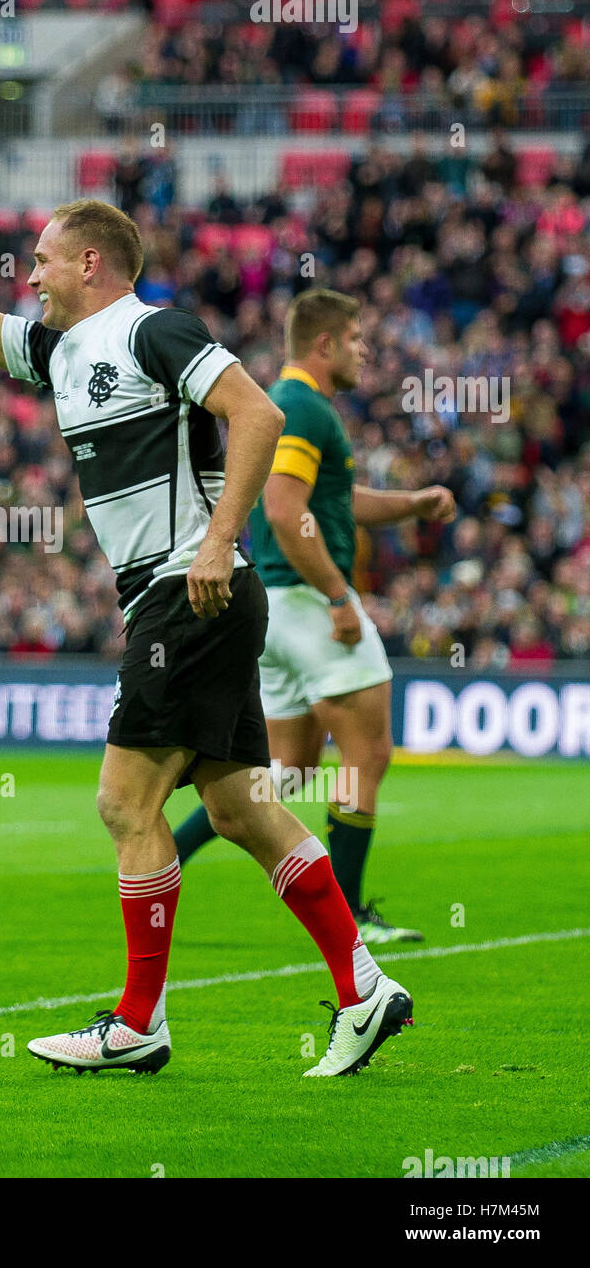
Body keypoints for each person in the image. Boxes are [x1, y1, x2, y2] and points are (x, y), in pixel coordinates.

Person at [0, 158, 414, 1077]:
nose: (29, 277)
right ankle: (364, 990)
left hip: (191, 587)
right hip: (189, 593)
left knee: (123, 800)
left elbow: (251, 417)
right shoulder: (61, 351)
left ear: (91, 263)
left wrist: (214, 541)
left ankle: (137, 1023)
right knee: (243, 807)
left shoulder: (153, 330)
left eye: (42, 261)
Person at [173, 289, 456, 944]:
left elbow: (332, 499)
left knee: (289, 767)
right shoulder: (300, 406)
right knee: (367, 754)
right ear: (324, 344)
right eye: (355, 339)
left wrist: (411, 503)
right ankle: (352, 916)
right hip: (306, 600)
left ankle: (169, 853)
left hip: (275, 610)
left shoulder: (297, 406)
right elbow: (280, 508)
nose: (363, 351)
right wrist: (336, 594)